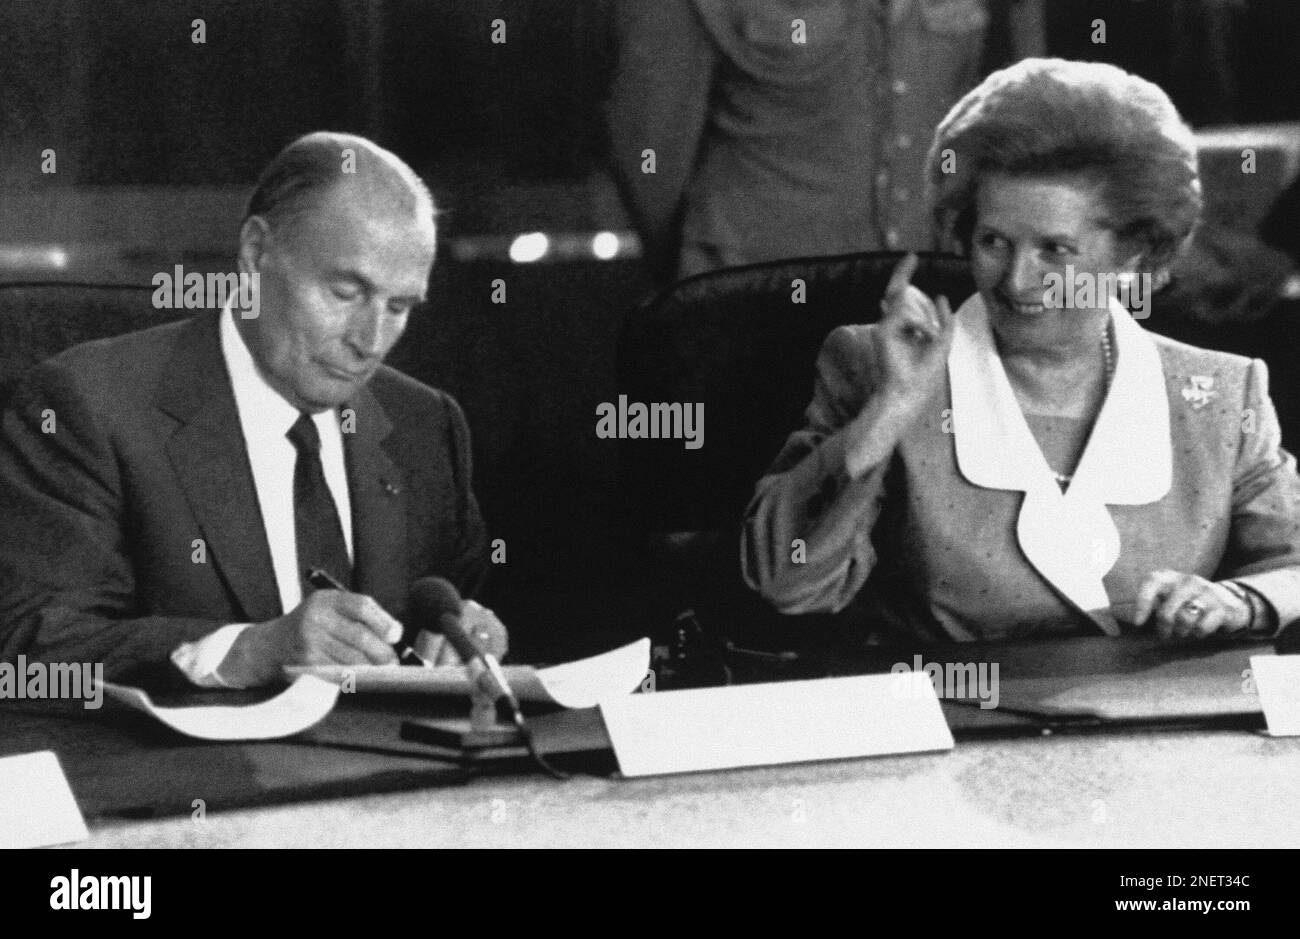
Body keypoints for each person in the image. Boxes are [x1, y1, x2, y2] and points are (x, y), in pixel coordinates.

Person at [742, 58, 1300, 642]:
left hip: (1156, 722)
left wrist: (1241, 601)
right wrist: (888, 414)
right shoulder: (871, 365)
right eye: (993, 243)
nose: (1016, 280)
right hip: (948, 717)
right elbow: (786, 586)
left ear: (1134, 255)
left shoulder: (1219, 393)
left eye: (1055, 250)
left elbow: (1290, 562)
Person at [0, 132, 504, 686]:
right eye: (344, 293)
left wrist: (467, 640)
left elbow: (455, 609)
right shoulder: (87, 406)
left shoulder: (424, 424)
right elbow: (29, 649)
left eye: (400, 306)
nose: (371, 340)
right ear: (257, 253)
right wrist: (247, 651)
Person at [607, 0, 1045, 283]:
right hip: (754, 299)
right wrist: (690, 282)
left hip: (921, 297)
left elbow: (1003, 117)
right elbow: (649, 155)